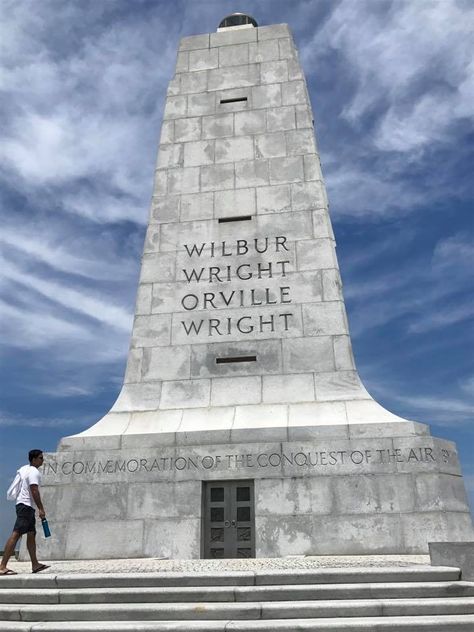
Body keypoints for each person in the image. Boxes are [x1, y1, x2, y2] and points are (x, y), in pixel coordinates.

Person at [0, 449, 50, 575]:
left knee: (31, 533)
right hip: (26, 506)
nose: (42, 460)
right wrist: (41, 508)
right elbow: (34, 490)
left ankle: (35, 564)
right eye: (40, 458)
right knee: (16, 533)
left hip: (23, 505)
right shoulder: (34, 472)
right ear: (34, 459)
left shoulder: (24, 469)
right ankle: (2, 566)